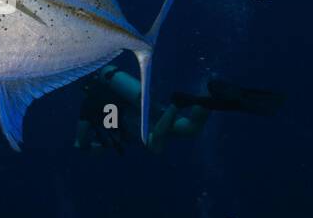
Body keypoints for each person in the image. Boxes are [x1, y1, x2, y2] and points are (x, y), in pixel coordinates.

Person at [75, 65, 284, 154]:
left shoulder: (88, 104)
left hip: (133, 122)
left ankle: (178, 104)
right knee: (189, 128)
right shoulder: (109, 86)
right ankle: (210, 92)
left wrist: (85, 146)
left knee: (155, 146)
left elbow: (81, 142)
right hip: (146, 105)